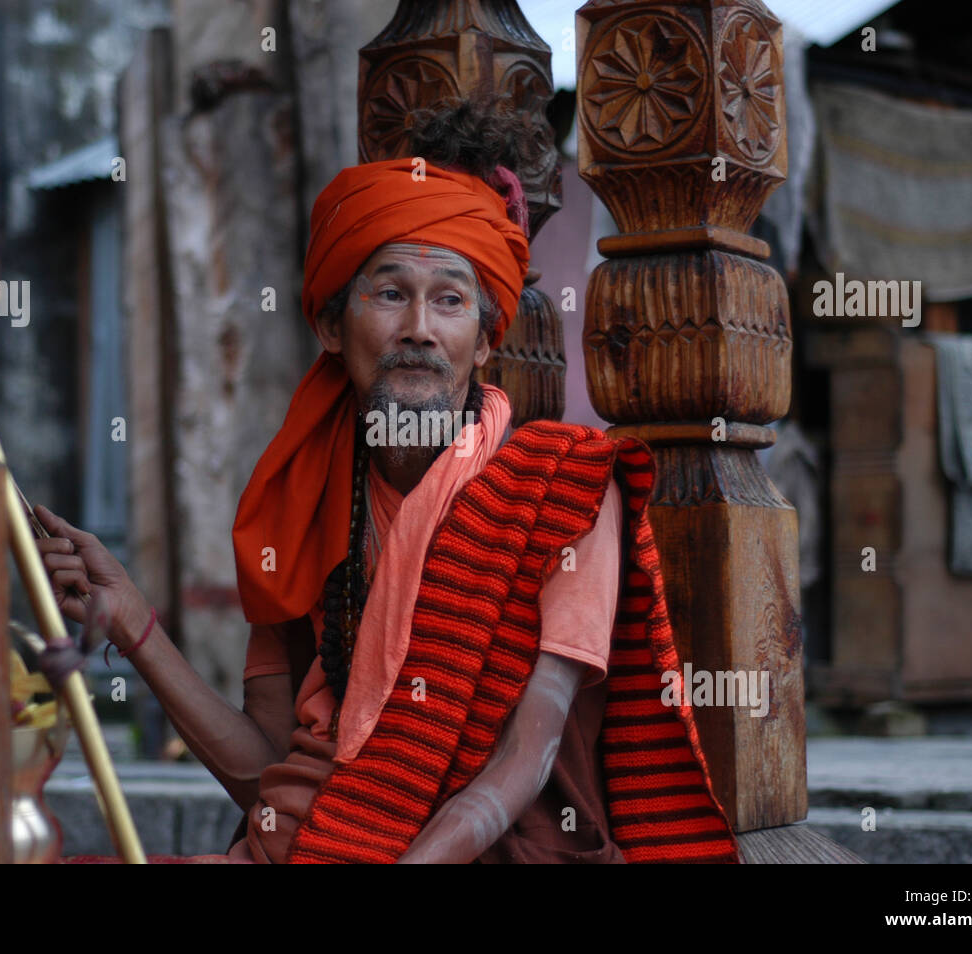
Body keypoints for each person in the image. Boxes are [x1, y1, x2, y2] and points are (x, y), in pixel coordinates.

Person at [37, 100, 738, 864]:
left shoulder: (562, 488)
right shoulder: (302, 507)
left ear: (485, 341)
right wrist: (134, 625)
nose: (419, 329)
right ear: (333, 329)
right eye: (390, 292)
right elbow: (266, 775)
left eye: (450, 300)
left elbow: (524, 760)